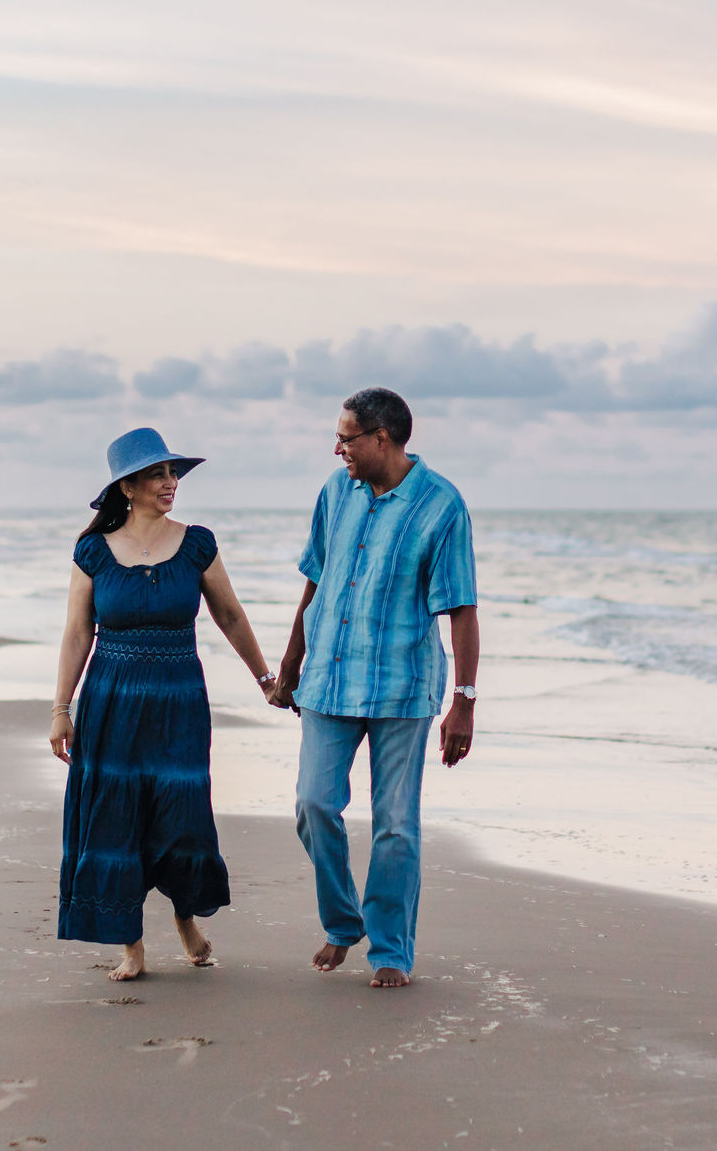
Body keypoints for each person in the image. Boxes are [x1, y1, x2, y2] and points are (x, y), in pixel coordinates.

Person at [269, 387, 478, 989]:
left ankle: (389, 949)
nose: (337, 448)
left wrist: (464, 702)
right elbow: (315, 580)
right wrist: (291, 662)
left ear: (381, 438)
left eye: (346, 437)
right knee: (313, 805)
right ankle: (343, 923)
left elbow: (461, 608)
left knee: (393, 824)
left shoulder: (442, 505)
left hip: (402, 688)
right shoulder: (335, 493)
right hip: (328, 681)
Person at [52, 427, 278, 981]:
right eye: (157, 474)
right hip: (111, 701)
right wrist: (62, 708)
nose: (169, 483)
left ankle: (186, 920)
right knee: (116, 819)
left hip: (179, 700)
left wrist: (266, 678)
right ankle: (131, 945)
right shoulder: (92, 552)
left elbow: (230, 615)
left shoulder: (198, 542)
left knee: (180, 816)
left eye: (172, 473)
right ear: (126, 487)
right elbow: (78, 633)